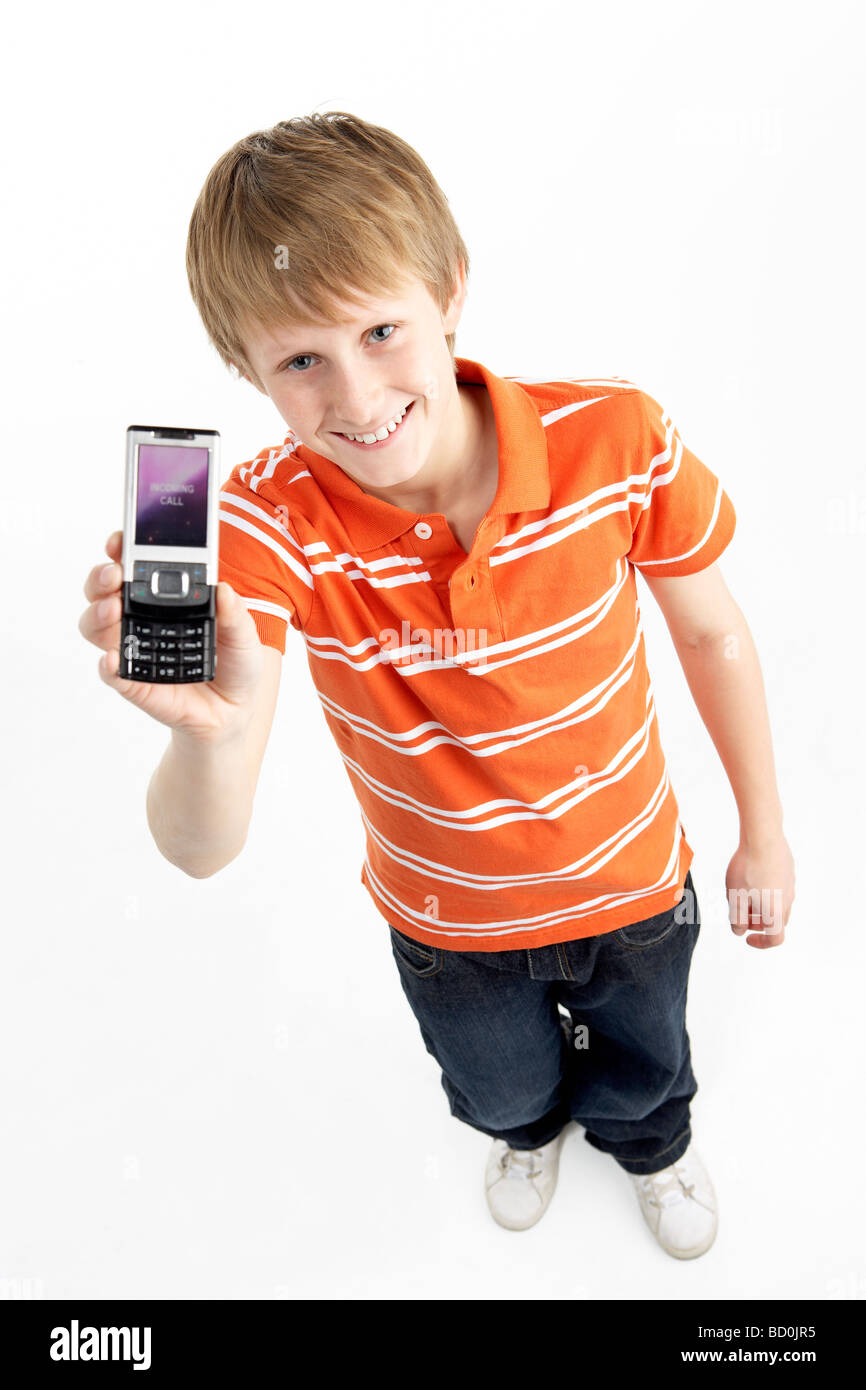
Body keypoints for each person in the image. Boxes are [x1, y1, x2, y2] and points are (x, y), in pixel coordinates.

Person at [80, 111, 795, 1260]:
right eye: (298, 361)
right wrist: (206, 732)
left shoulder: (613, 437)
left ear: (449, 287)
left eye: (378, 330)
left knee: (649, 1070)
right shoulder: (263, 521)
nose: (357, 400)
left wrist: (761, 831)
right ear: (243, 366)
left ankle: (650, 1146)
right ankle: (528, 1131)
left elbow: (712, 637)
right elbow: (200, 847)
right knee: (502, 1089)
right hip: (447, 932)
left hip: (634, 893)